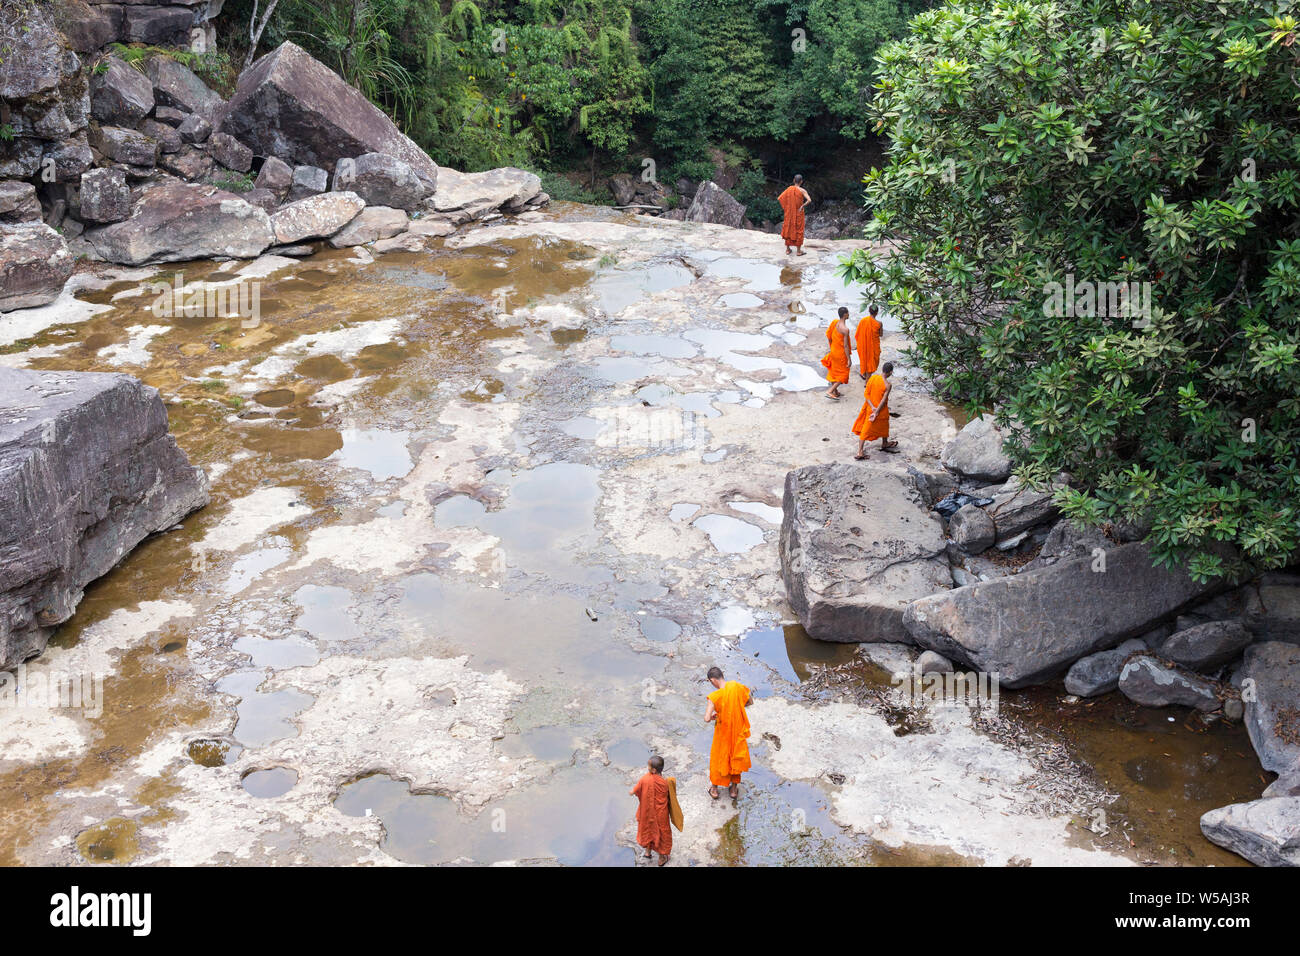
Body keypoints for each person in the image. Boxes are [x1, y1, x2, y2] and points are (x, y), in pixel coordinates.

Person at [704, 666, 752, 800]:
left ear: (713, 680)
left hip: (723, 734)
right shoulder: (736, 687)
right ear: (722, 675)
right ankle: (734, 790)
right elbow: (749, 701)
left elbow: (707, 718)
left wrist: (715, 715)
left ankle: (714, 789)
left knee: (719, 758)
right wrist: (736, 706)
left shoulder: (714, 696)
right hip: (737, 731)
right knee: (736, 757)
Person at [630, 754, 680, 865]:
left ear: (653, 770)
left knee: (648, 829)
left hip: (647, 813)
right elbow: (668, 797)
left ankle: (648, 852)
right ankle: (662, 858)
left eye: (648, 766)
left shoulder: (646, 778)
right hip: (660, 813)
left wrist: (632, 792)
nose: (647, 768)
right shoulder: (664, 783)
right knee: (662, 832)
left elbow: (636, 789)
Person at [853, 361, 898, 458]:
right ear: (890, 372)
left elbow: (866, 394)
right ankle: (860, 451)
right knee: (873, 428)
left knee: (878, 426)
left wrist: (872, 407)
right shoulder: (887, 385)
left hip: (870, 408)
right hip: (880, 410)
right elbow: (883, 400)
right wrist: (877, 411)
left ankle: (884, 443)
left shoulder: (873, 378)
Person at [821, 306, 852, 400]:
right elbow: (846, 346)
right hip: (841, 354)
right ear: (845, 314)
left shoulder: (835, 322)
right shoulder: (845, 329)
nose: (849, 314)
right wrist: (849, 359)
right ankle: (830, 391)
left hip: (834, 350)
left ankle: (836, 392)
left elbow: (829, 336)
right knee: (844, 374)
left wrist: (832, 347)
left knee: (834, 371)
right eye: (848, 313)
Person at [778, 175, 811, 256]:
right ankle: (799, 251)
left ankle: (788, 249)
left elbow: (780, 198)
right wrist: (802, 206)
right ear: (801, 181)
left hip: (789, 214)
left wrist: (787, 208)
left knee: (788, 229)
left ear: (793, 180)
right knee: (799, 230)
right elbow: (809, 200)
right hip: (799, 213)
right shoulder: (802, 190)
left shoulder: (789, 189)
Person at [855, 304, 883, 379]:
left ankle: (864, 374)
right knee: (872, 362)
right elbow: (880, 335)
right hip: (874, 346)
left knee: (865, 360)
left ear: (869, 311)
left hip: (864, 346)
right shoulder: (879, 323)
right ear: (877, 312)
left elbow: (857, 334)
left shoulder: (863, 321)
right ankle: (867, 381)